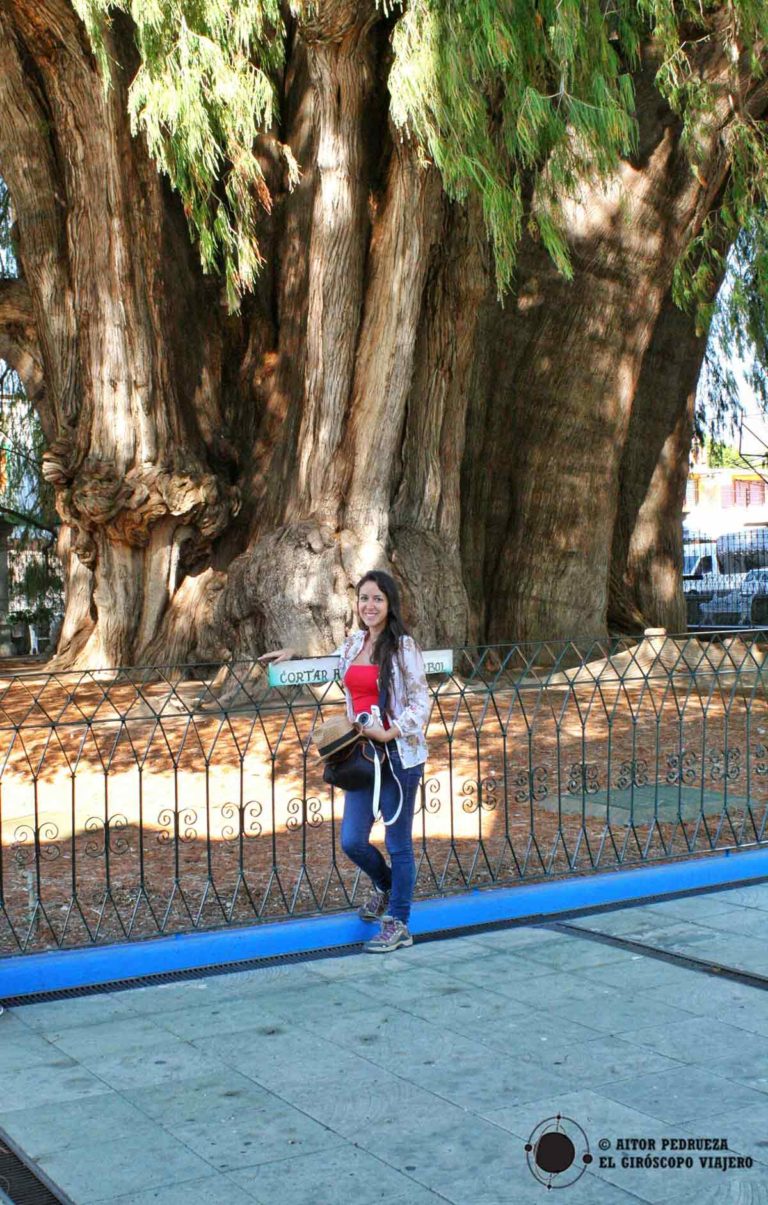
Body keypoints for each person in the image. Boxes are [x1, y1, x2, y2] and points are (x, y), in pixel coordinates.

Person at [259, 570, 431, 953]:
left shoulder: (403, 647)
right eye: (364, 598)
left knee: (397, 842)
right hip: (362, 757)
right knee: (353, 840)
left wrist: (392, 731)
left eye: (378, 599)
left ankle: (399, 922)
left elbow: (422, 703)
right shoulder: (353, 643)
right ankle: (389, 888)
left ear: (390, 605)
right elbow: (330, 666)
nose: (369, 606)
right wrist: (294, 659)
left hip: (398, 757)